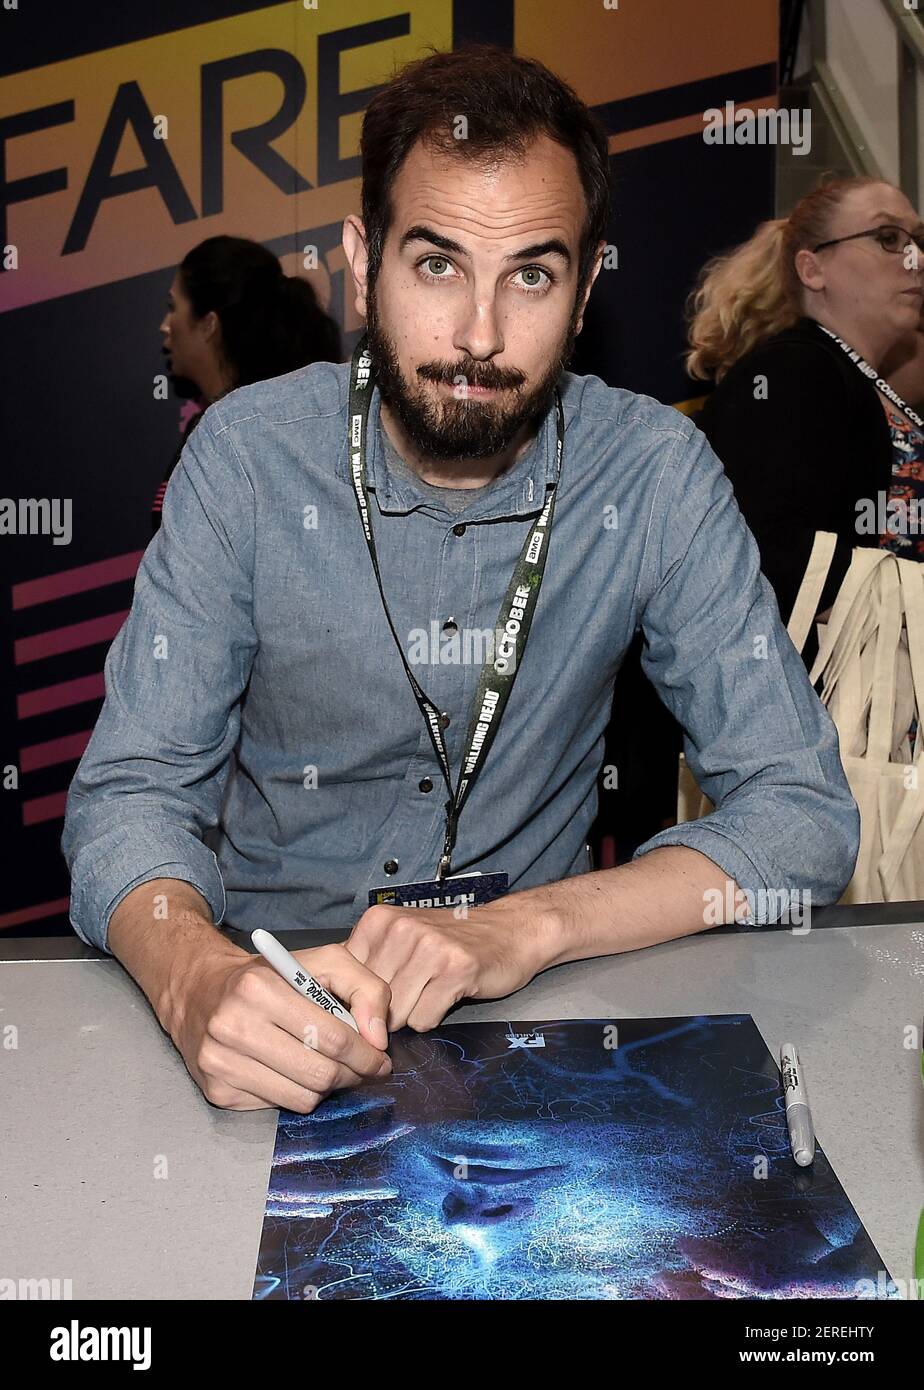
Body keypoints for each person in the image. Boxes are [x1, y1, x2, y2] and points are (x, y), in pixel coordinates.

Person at [61, 46, 859, 1117]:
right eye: (436, 263)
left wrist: (523, 926)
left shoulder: (655, 473)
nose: (480, 335)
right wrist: (196, 975)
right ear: (362, 260)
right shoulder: (246, 458)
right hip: (274, 1003)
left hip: (552, 1004)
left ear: (582, 294)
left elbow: (803, 816)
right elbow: (131, 794)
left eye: (531, 273)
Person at [688, 177, 924, 649]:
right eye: (887, 238)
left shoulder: (848, 376)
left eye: (918, 241)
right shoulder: (791, 370)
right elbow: (763, 550)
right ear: (812, 269)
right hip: (811, 703)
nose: (915, 258)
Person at [152, 236, 341, 531]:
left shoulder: (228, 438)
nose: (165, 324)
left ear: (208, 325)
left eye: (173, 306)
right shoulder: (246, 429)